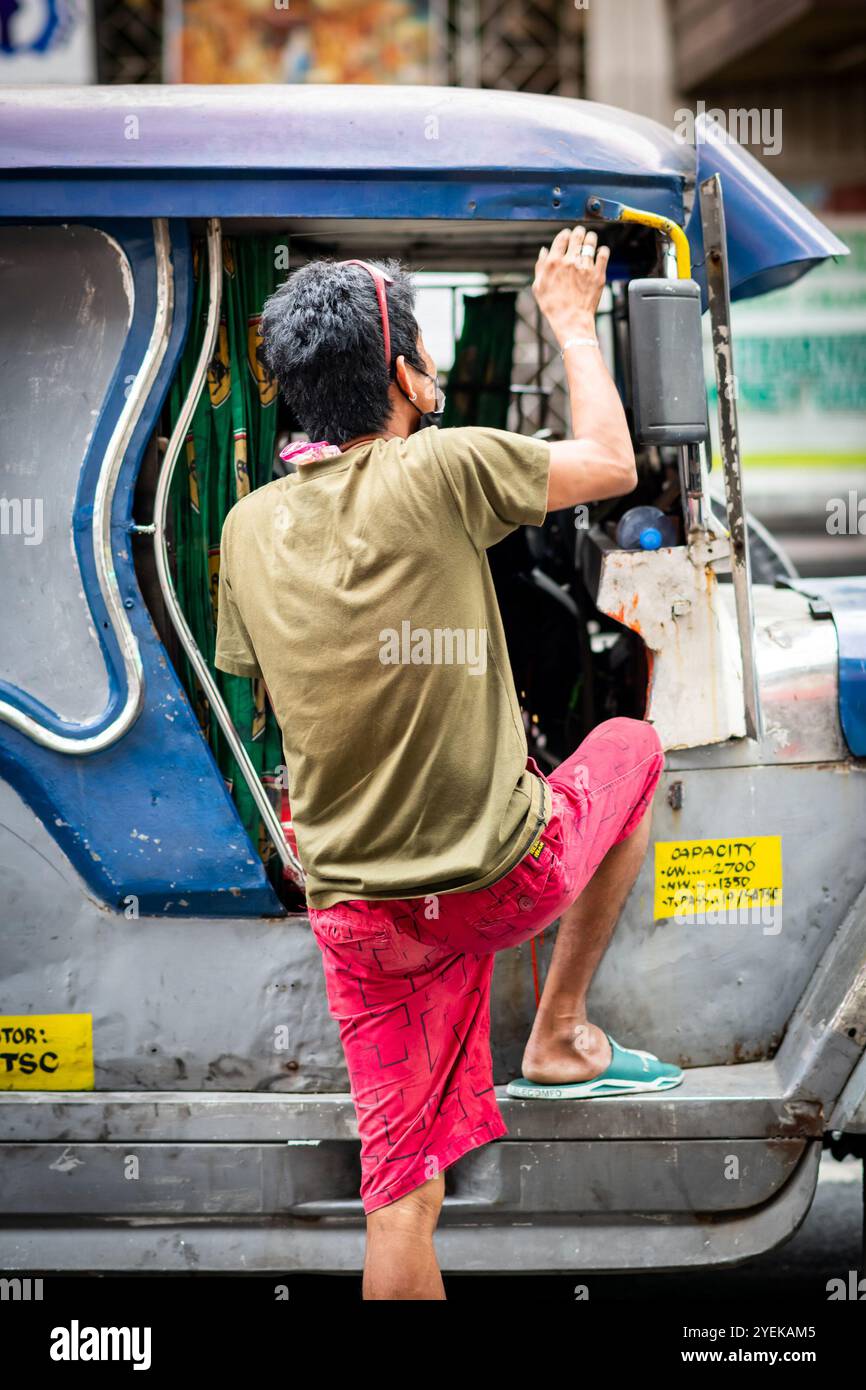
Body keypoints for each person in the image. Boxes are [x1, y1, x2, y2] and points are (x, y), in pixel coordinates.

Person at [214, 227, 683, 1300]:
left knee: (400, 1193)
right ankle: (559, 1033)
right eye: (419, 355)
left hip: (355, 921)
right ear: (399, 376)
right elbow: (611, 465)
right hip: (494, 884)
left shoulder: (245, 529)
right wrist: (568, 321)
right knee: (631, 745)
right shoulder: (442, 465)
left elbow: (273, 692)